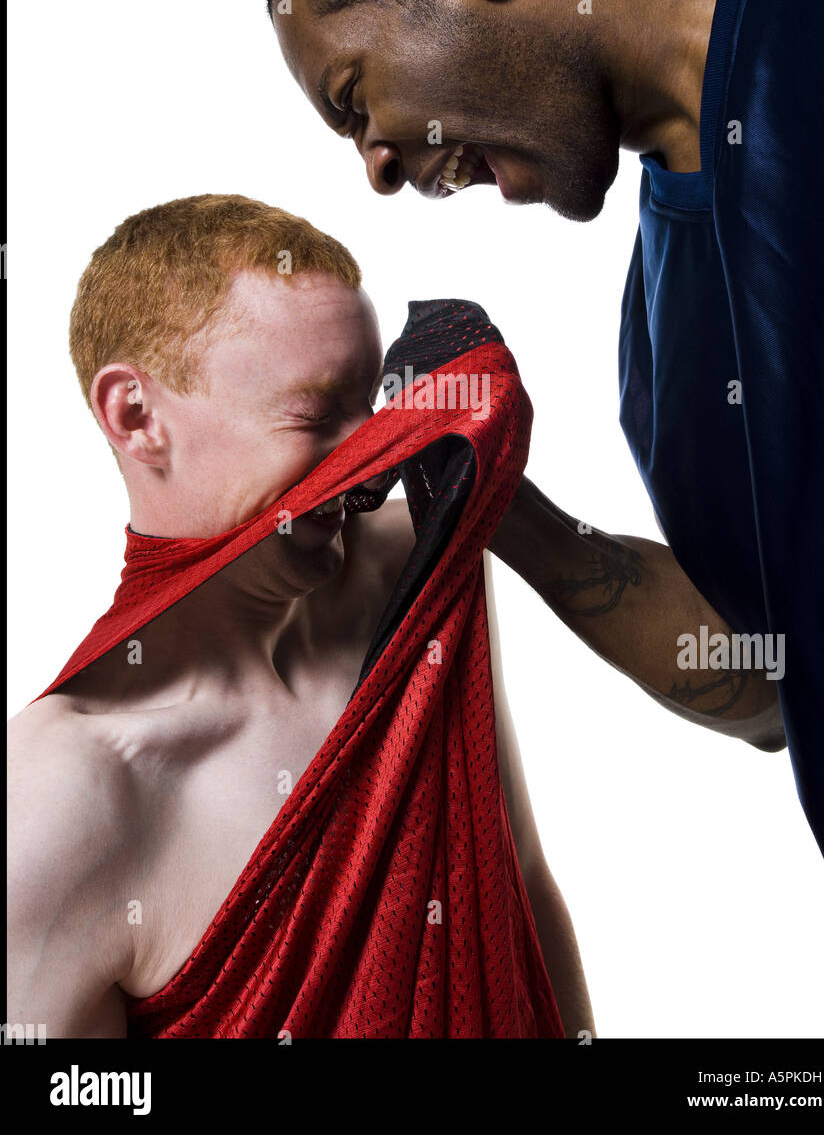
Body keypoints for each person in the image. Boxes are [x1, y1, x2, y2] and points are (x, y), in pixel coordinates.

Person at [267, 0, 824, 934]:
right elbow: (771, 681)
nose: (379, 168)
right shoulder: (666, 360)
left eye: (353, 99)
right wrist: (496, 503)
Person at [7, 193, 594, 1039]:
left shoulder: (413, 567)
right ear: (137, 418)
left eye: (372, 411)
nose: (370, 466)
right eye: (317, 417)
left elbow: (519, 881)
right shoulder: (62, 799)